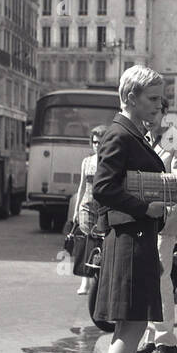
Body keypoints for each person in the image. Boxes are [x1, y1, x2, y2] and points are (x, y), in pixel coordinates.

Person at [90, 67, 170, 353]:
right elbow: (103, 188)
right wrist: (145, 208)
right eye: (152, 98)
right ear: (131, 98)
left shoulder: (130, 132)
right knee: (132, 325)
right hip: (130, 238)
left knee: (131, 326)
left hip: (133, 238)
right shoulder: (119, 134)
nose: (159, 104)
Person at [138, 114, 177, 353]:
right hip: (144, 220)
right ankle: (151, 336)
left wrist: (164, 215)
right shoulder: (145, 140)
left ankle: (166, 340)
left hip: (163, 223)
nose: (148, 118)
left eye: (154, 111)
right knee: (148, 279)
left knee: (161, 279)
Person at [66, 126, 106, 298]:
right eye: (95, 142)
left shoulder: (109, 161)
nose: (97, 145)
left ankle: (97, 275)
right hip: (86, 205)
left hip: (103, 206)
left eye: (100, 142)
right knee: (85, 240)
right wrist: (75, 210)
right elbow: (82, 186)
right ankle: (85, 279)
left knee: (99, 241)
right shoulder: (86, 161)